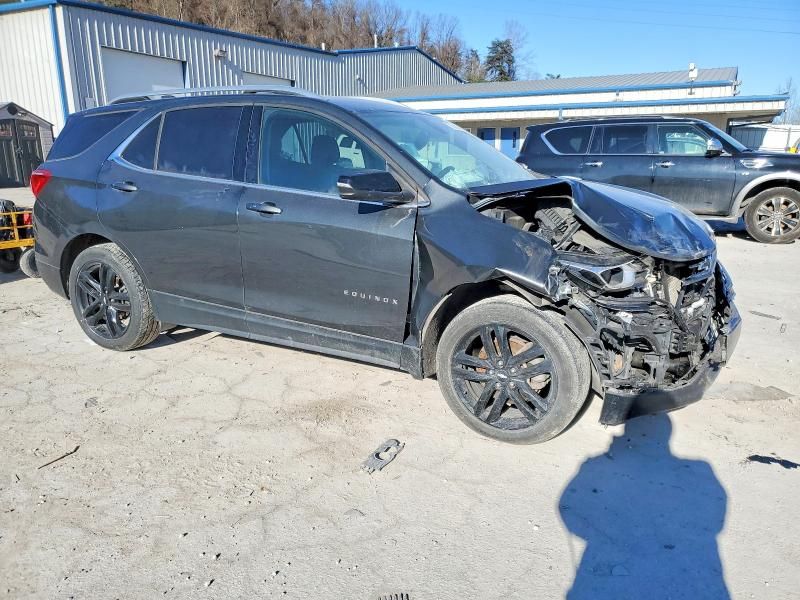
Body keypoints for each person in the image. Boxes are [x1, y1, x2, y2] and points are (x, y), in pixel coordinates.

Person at [560, 414, 729, 599]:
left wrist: (599, 536)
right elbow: (716, 520)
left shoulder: (595, 464)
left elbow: (566, 505)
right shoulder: (702, 469)